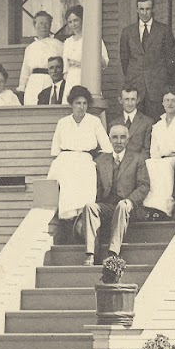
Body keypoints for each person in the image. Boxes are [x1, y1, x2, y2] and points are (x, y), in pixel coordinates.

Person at [46, 86, 114, 262]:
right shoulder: (63, 123)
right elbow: (55, 149)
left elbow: (107, 147)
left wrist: (93, 159)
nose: (81, 107)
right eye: (78, 103)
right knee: (60, 172)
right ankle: (62, 217)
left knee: (84, 174)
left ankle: (81, 220)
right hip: (66, 158)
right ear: (71, 104)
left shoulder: (94, 121)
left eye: (84, 103)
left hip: (85, 159)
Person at [81, 121, 149, 261]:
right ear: (110, 139)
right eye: (115, 137)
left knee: (122, 206)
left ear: (128, 140)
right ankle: (90, 254)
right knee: (90, 207)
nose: (119, 141)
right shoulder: (101, 160)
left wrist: (130, 200)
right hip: (108, 206)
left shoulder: (137, 158)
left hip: (129, 208)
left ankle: (113, 253)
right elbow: (98, 188)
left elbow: (144, 185)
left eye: (122, 137)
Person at [118, 0, 175, 118]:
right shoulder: (127, 32)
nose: (144, 13)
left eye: (148, 9)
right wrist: (133, 76)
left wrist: (164, 83)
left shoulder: (163, 30)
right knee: (135, 123)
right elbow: (125, 60)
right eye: (141, 9)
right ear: (137, 10)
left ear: (153, 9)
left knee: (155, 123)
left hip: (157, 87)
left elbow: (170, 60)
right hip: (135, 87)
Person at [144, 89, 175, 218]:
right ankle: (153, 207)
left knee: (164, 167)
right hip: (160, 158)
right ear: (162, 103)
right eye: (167, 100)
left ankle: (165, 208)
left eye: (173, 100)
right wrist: (156, 159)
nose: (170, 103)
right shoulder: (158, 125)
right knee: (151, 164)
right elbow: (154, 149)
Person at [60, 5, 109, 97]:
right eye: (70, 22)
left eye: (76, 20)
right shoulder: (68, 42)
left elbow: (104, 62)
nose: (73, 24)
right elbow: (65, 68)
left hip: (88, 78)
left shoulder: (93, 38)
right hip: (72, 79)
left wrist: (87, 62)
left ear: (83, 19)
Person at [17, 10, 64, 105]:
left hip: (50, 80)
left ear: (50, 25)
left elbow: (64, 66)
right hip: (33, 82)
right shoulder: (30, 48)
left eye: (46, 23)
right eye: (41, 23)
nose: (44, 26)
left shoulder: (58, 45)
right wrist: (22, 87)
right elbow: (25, 71)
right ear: (35, 25)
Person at [112, 86, 153, 155]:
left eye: (133, 99)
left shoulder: (147, 122)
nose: (130, 103)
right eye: (126, 99)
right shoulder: (113, 124)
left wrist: (134, 163)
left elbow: (147, 150)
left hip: (139, 163)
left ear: (138, 100)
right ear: (120, 100)